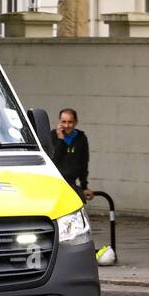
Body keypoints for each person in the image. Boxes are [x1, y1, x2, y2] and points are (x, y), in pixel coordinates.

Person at [50, 108, 115, 266]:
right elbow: (54, 160)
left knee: (78, 214)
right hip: (56, 181)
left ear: (75, 122)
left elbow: (83, 162)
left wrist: (84, 185)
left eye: (70, 122)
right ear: (59, 122)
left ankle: (81, 248)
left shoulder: (80, 138)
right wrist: (60, 140)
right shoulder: (53, 136)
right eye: (64, 122)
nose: (67, 125)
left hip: (72, 182)